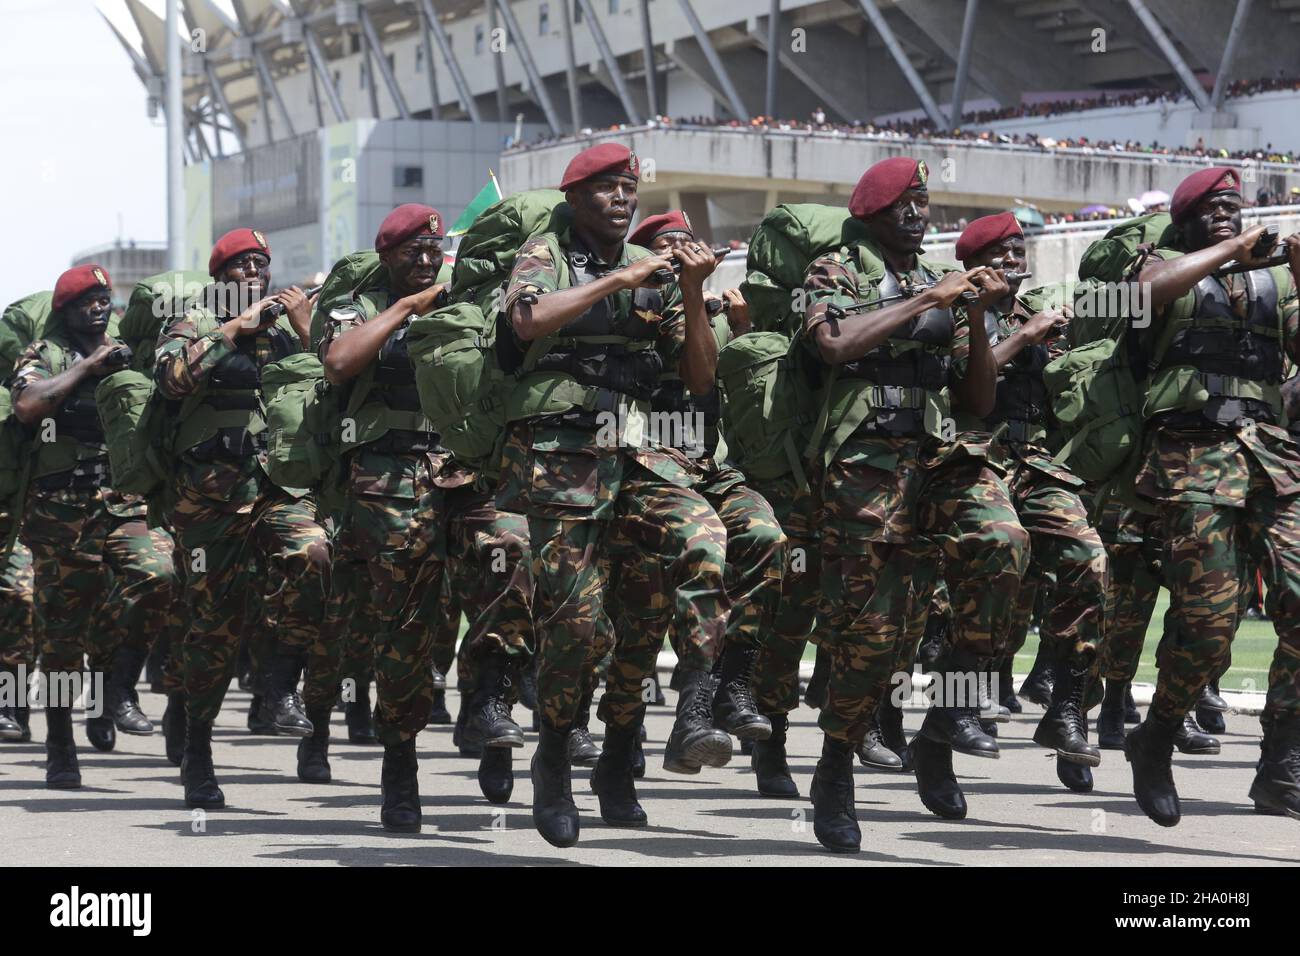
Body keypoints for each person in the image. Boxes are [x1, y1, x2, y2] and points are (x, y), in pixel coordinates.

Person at [498, 143, 728, 845]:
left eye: (630, 188)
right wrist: (620, 278)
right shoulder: (547, 254)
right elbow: (528, 321)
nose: (623, 198)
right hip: (563, 459)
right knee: (575, 627)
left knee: (704, 540)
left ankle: (697, 705)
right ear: (574, 199)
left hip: (639, 453)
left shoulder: (654, 278)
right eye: (606, 188)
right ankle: (554, 756)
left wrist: (688, 292)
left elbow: (695, 380)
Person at [800, 157, 1029, 850]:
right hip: (862, 462)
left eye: (924, 202)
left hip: (935, 452)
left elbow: (978, 400)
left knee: (1004, 541)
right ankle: (835, 762)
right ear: (870, 210)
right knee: (877, 635)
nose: (917, 213)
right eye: (903, 201)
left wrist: (980, 319)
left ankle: (942, 722)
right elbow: (834, 344)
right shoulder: (833, 271)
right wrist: (930, 305)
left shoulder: (942, 279)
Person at [318, 204, 533, 826]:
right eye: (412, 248)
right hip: (389, 476)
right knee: (406, 622)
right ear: (387, 256)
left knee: (512, 554)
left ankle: (490, 707)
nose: (426, 256)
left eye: (434, 246)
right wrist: (407, 310)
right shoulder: (358, 303)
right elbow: (337, 362)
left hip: (465, 467)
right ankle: (400, 766)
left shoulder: (471, 298)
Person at [1126, 166, 1300, 824]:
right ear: (1186, 217)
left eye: (1236, 207)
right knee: (1207, 624)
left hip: (1270, 459)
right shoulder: (1160, 265)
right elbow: (1142, 299)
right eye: (1214, 208)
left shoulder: (1273, 282)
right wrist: (1231, 248)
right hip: (1191, 454)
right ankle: (1157, 737)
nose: (1228, 215)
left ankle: (1282, 763)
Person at [155, 229, 330, 809]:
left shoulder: (286, 330)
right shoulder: (193, 321)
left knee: (314, 555)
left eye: (261, 262)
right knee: (213, 624)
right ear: (218, 274)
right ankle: (198, 750)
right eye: (240, 264)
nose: (253, 271)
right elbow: (172, 378)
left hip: (277, 488)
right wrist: (236, 327)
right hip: (208, 498)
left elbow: (334, 380)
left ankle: (277, 684)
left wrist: (305, 324)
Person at [954, 212, 1109, 792]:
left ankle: (1069, 710)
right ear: (974, 264)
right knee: (981, 594)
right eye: (1000, 253)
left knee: (1088, 563)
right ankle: (951, 716)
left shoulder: (1039, 317)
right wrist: (1023, 337)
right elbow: (964, 388)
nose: (1013, 263)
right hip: (969, 462)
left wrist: (1061, 343)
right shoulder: (949, 310)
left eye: (1019, 252)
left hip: (1036, 464)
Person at [10, 265, 176, 787]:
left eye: (105, 297)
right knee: (61, 636)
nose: (99, 307)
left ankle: (115, 685)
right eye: (86, 300)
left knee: (161, 575)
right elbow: (27, 405)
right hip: (61, 513)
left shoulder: (129, 347)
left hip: (123, 503)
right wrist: (89, 368)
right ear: (66, 311)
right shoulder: (45, 356)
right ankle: (60, 739)